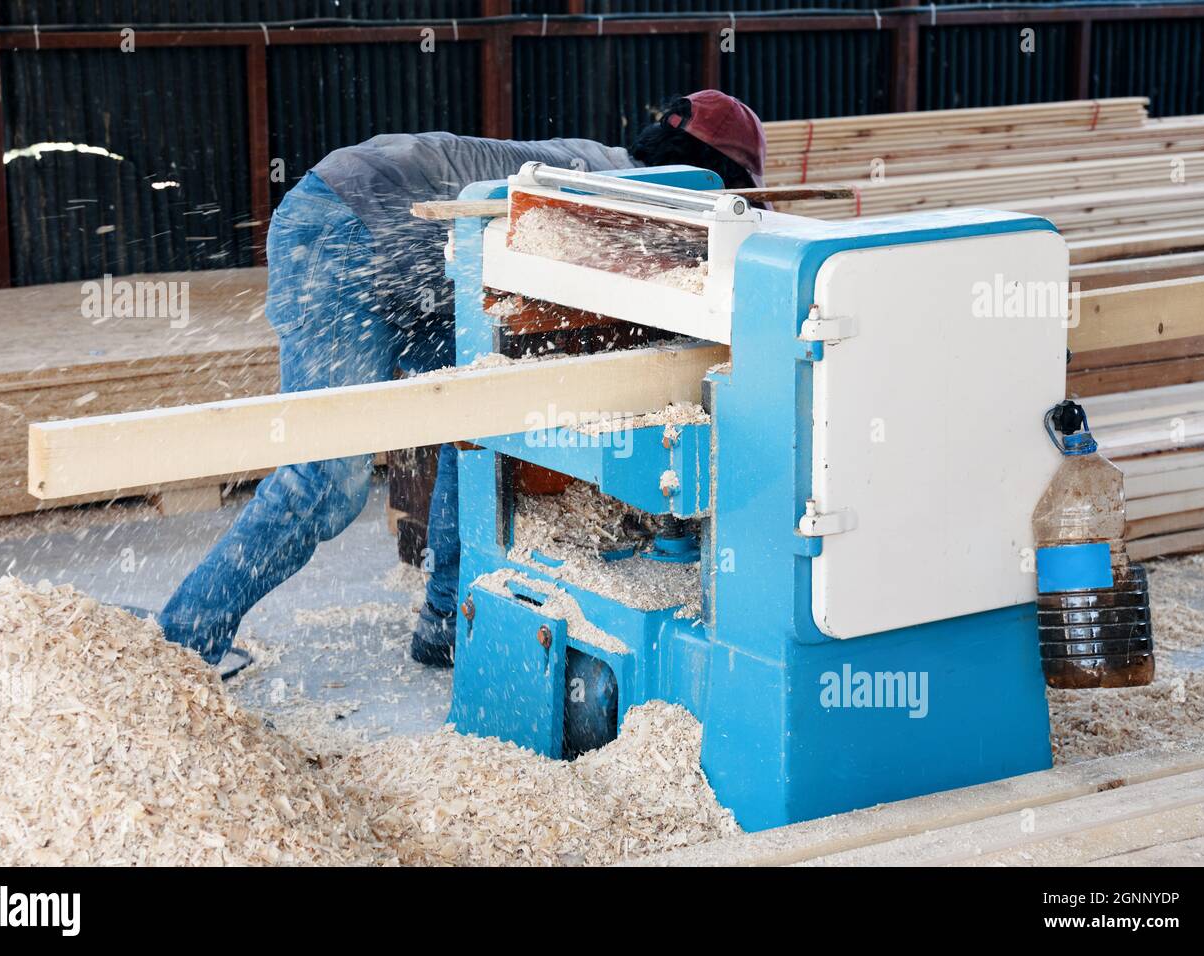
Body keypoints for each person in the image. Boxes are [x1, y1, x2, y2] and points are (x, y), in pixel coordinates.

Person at [157, 90, 767, 671]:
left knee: (479, 408)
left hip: (399, 247)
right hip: (342, 222)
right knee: (327, 484)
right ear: (712, 176)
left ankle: (447, 620)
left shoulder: (611, 174)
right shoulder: (621, 195)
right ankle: (179, 648)